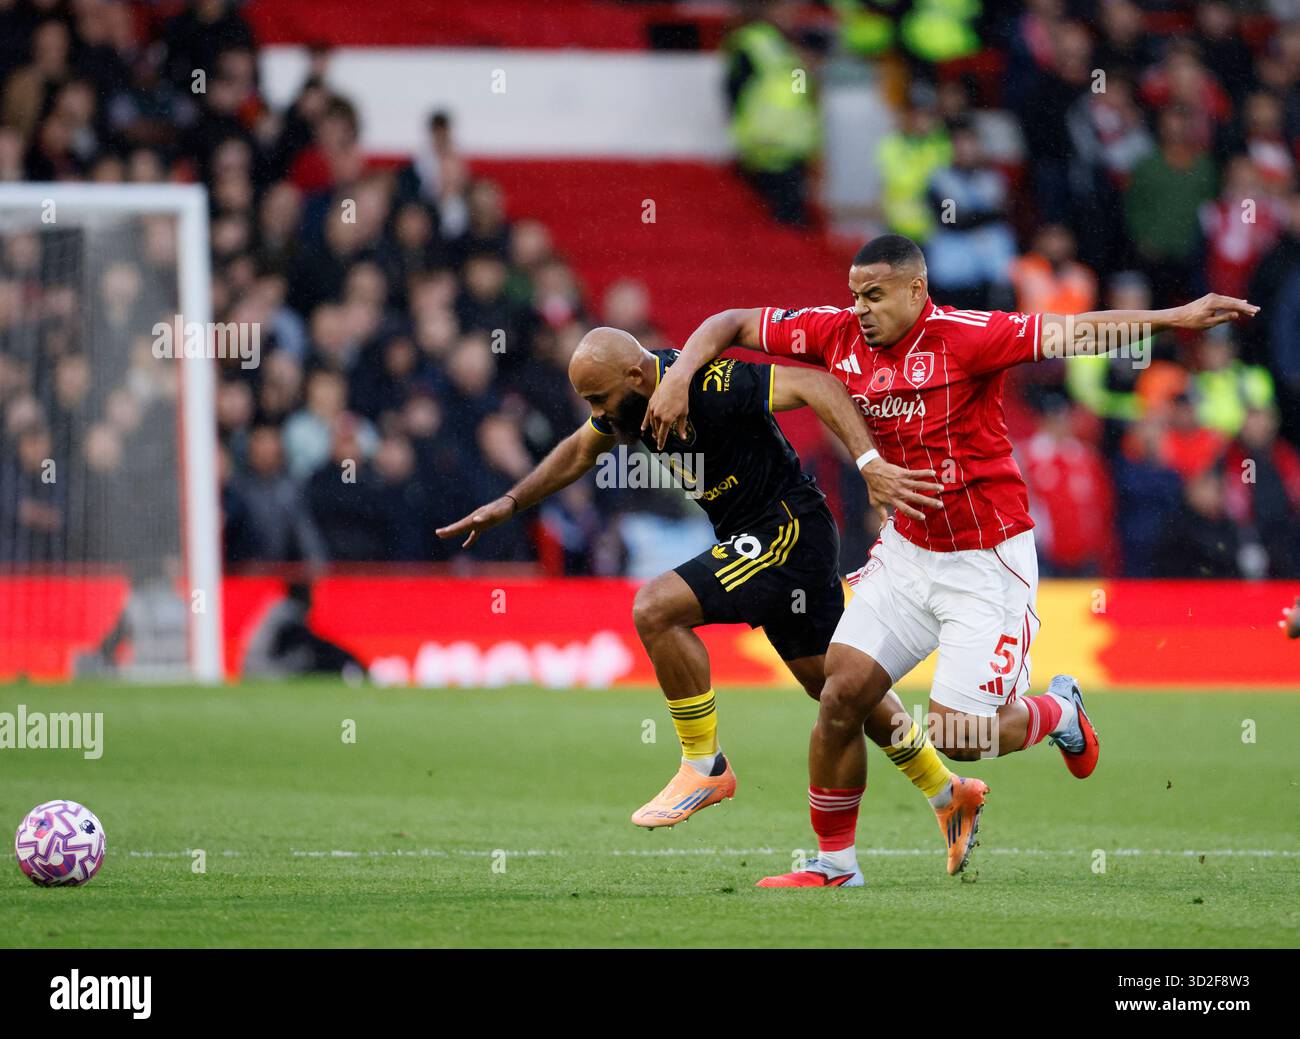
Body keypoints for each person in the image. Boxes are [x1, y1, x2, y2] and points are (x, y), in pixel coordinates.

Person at [644, 233, 1258, 887]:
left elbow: (1072, 333)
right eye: (854, 295)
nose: (860, 309)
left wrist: (1175, 319)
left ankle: (1059, 712)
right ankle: (834, 863)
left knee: (961, 734)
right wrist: (680, 373)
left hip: (985, 561)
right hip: (908, 553)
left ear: (916, 290)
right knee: (840, 691)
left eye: (874, 295)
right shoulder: (837, 334)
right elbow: (734, 322)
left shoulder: (970, 336)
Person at [438, 327, 960, 837]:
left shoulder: (710, 384)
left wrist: (869, 463)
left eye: (599, 399)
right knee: (835, 688)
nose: (596, 414)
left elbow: (817, 385)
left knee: (655, 607)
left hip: (786, 529)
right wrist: (509, 503)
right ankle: (946, 790)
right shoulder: (629, 407)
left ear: (637, 374)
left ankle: (704, 764)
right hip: (765, 536)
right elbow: (578, 451)